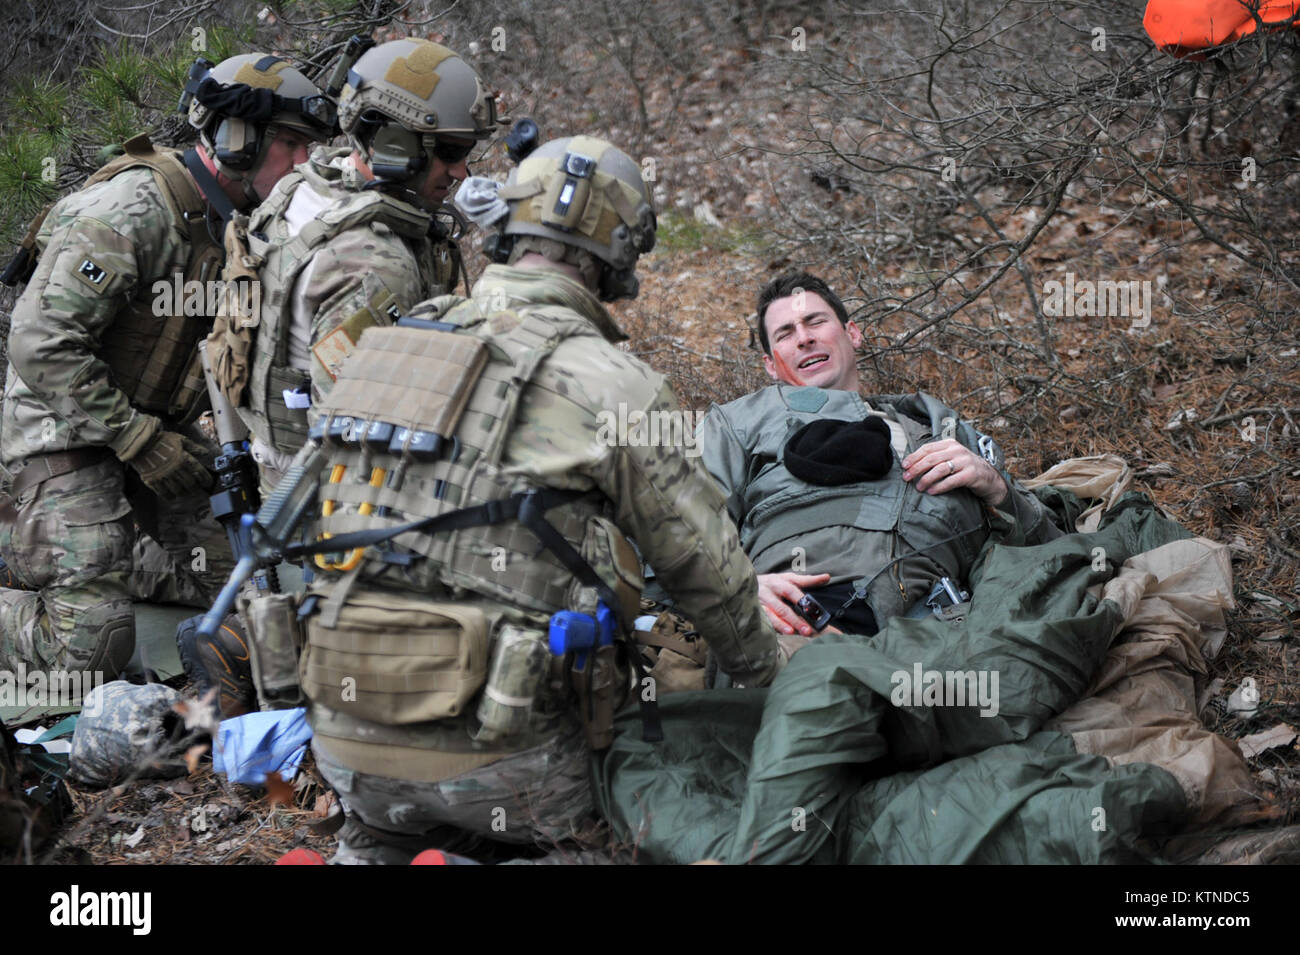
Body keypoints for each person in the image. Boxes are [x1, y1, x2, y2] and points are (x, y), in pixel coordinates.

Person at [273, 135, 784, 863]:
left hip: (346, 733)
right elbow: (708, 568)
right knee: (619, 844)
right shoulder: (613, 382)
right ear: (614, 256)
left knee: (387, 824)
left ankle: (369, 849)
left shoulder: (385, 346)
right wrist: (781, 679)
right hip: (508, 755)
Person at [0, 54, 332, 683]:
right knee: (88, 650)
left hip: (152, 437)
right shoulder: (134, 209)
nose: (302, 164)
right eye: (290, 144)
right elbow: (40, 341)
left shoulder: (245, 224)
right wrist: (137, 439)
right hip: (59, 435)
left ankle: (94, 559)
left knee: (256, 582)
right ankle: (56, 564)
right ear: (237, 138)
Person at [698, 270, 1064, 638]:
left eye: (815, 322)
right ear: (771, 365)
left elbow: (1049, 547)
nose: (804, 338)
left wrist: (995, 486)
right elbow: (675, 534)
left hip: (942, 636)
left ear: (852, 333)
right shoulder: (737, 423)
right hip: (792, 632)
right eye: (785, 334)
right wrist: (738, 587)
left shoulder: (936, 426)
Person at [208, 37, 498, 495]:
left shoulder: (308, 185)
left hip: (280, 470)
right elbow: (356, 442)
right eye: (450, 151)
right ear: (394, 143)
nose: (461, 172)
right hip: (328, 510)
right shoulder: (372, 262)